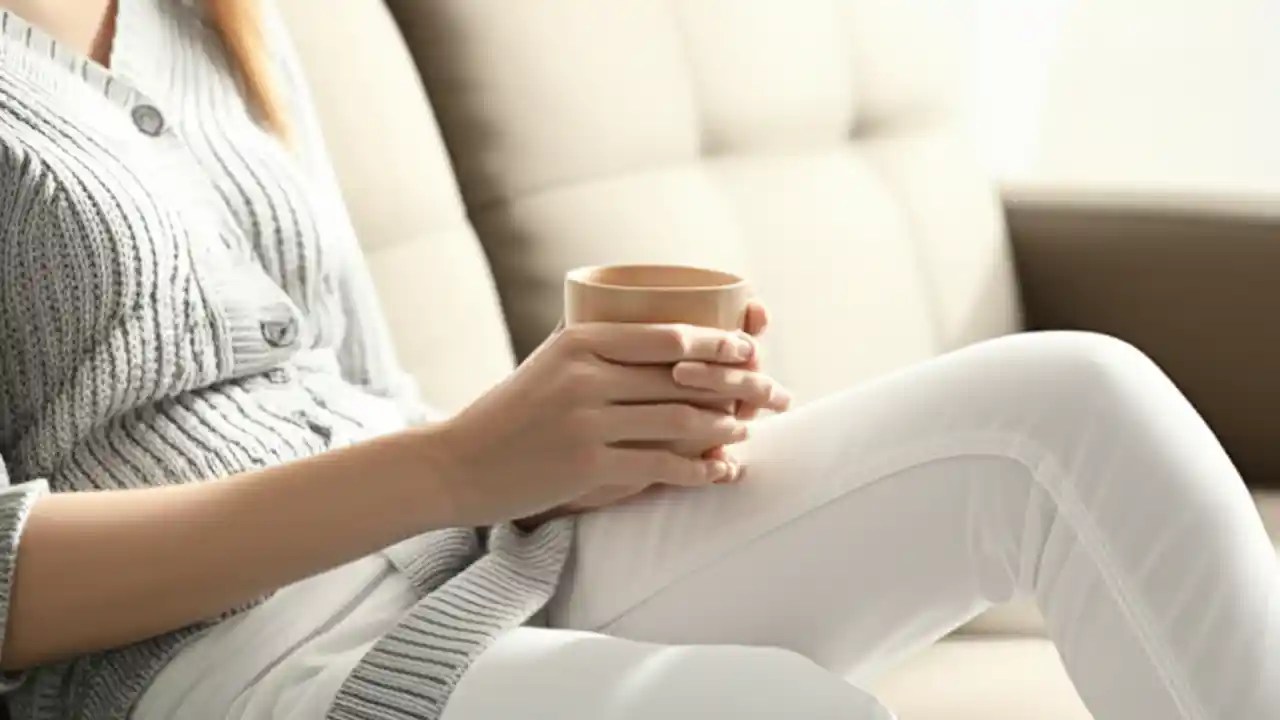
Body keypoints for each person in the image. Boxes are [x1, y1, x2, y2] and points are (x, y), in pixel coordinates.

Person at [0, 1, 1275, 718]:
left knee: (1073, 406)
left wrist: (562, 448)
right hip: (212, 664)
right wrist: (458, 466)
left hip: (453, 552)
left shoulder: (215, 14)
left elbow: (359, 380)